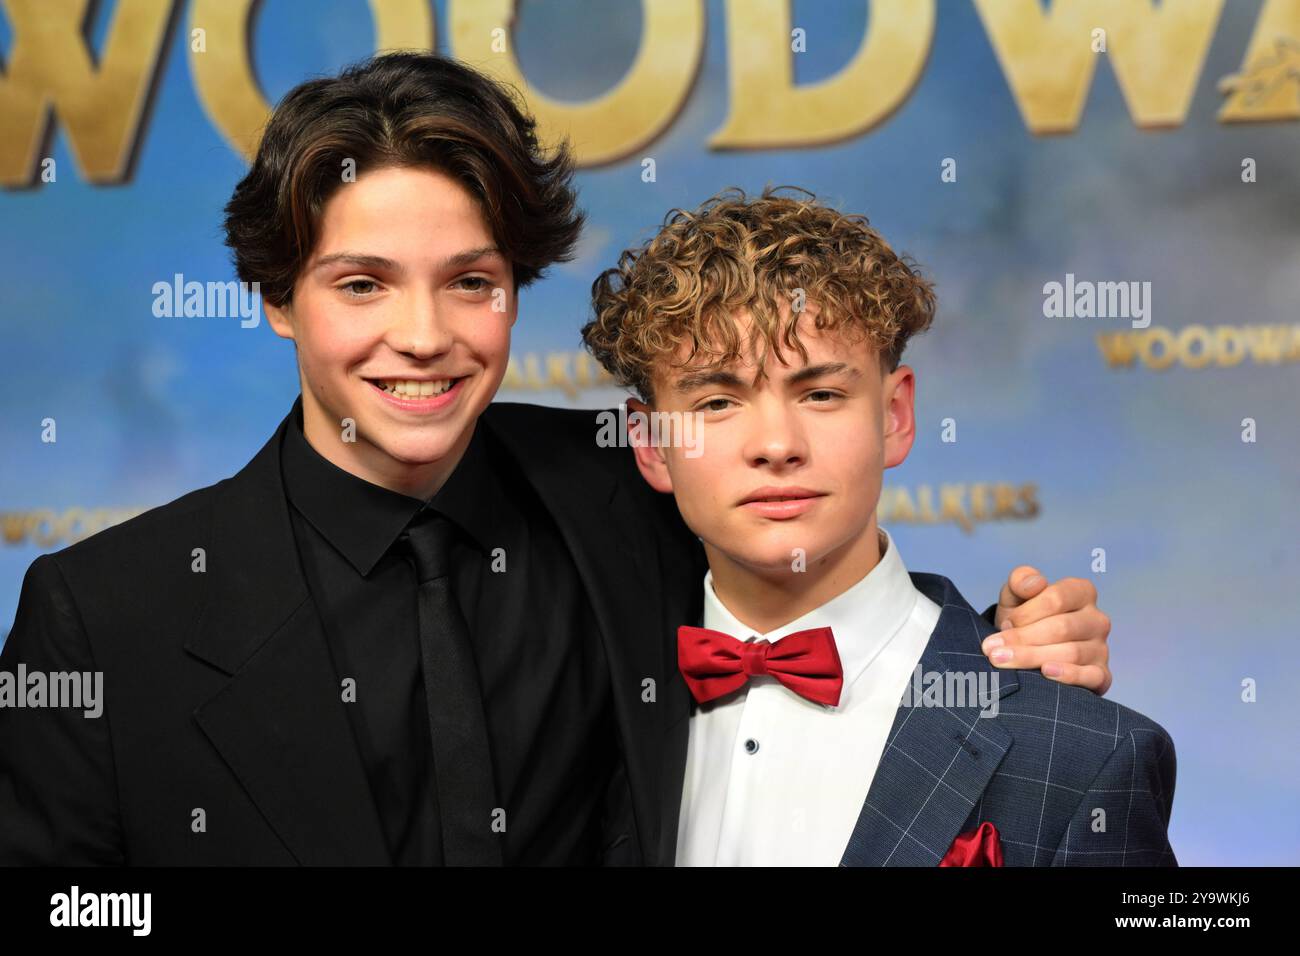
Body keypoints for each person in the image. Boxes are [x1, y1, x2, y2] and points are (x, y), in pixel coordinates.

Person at [0, 53, 1114, 867]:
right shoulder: (105, 613)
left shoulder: (616, 477)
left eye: (471, 282)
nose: (424, 334)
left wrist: (998, 642)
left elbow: (795, 536)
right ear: (275, 298)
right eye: (362, 283)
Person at [581, 187, 1176, 866]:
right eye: (718, 402)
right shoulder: (580, 715)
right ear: (653, 445)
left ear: (894, 416)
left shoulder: (1082, 755)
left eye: (822, 394)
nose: (776, 444)